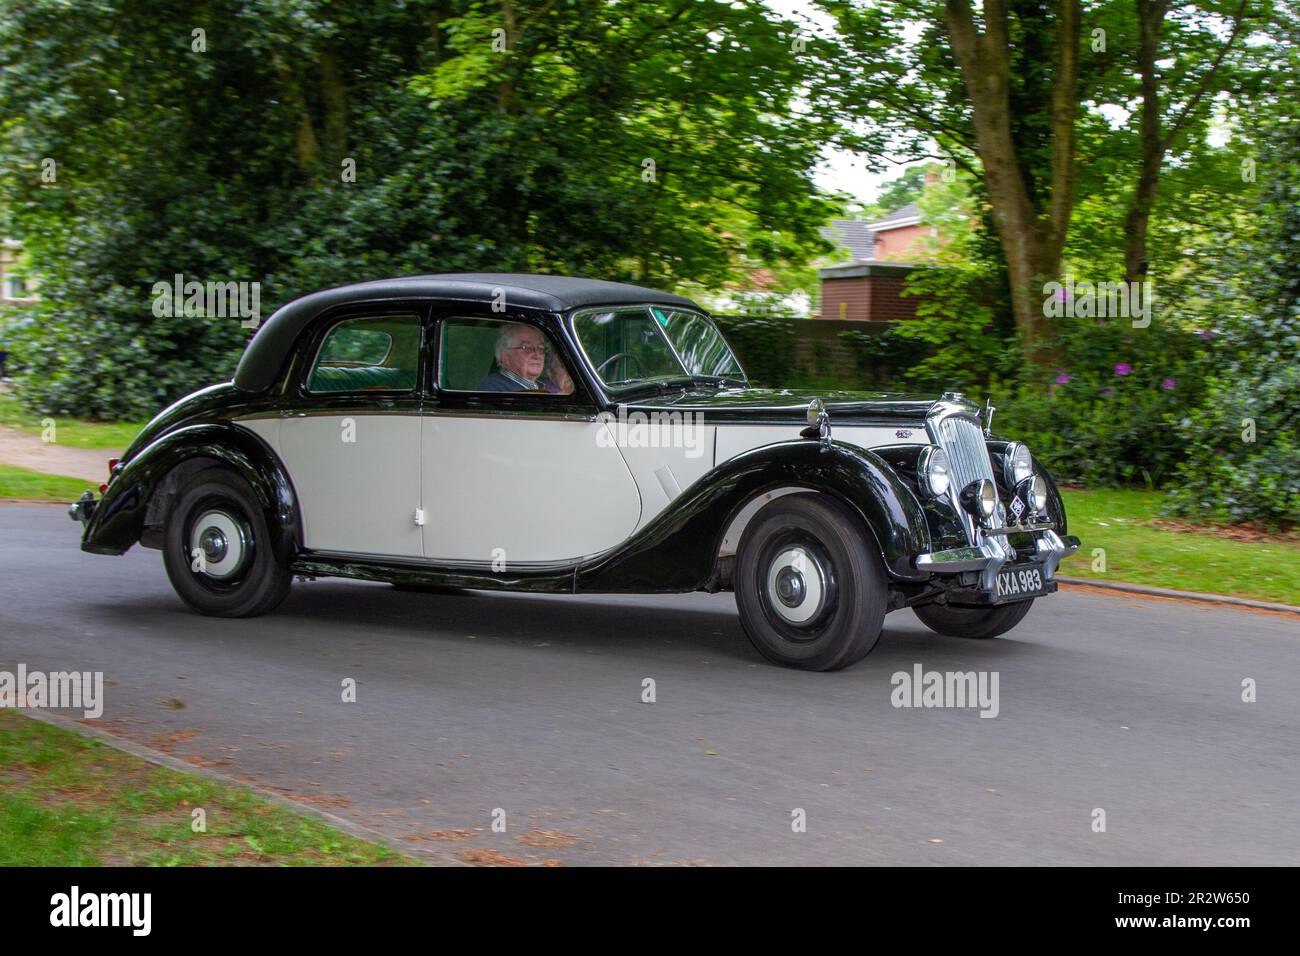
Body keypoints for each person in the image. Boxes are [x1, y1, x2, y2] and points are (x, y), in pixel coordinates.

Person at [477, 323, 549, 391]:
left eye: (541, 348)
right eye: (527, 348)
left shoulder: (541, 387)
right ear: (505, 357)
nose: (537, 355)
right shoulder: (493, 389)